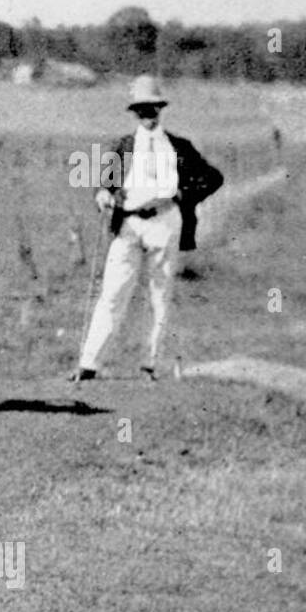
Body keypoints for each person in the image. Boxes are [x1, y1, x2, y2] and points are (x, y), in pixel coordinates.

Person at [72, 75, 224, 382]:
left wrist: (184, 196)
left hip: (165, 222)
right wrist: (103, 195)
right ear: (134, 112)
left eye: (152, 109)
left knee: (159, 294)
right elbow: (105, 185)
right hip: (129, 224)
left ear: (160, 109)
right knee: (113, 292)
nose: (147, 116)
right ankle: (89, 364)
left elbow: (213, 177)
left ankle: (149, 365)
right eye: (141, 110)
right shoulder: (123, 146)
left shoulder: (179, 147)